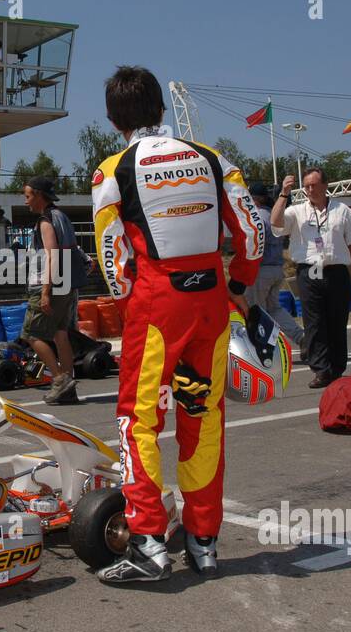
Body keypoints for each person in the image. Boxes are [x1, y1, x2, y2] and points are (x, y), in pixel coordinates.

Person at [92, 65, 263, 582]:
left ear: (112, 119)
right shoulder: (213, 158)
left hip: (155, 305)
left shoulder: (112, 170)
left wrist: (129, 302)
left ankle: (147, 544)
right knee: (203, 414)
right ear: (162, 111)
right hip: (211, 301)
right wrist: (237, 285)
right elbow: (252, 232)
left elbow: (108, 253)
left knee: (138, 420)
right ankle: (204, 542)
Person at [271, 168, 351, 389]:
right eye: (307, 186)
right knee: (314, 323)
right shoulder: (297, 211)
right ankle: (321, 370)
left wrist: (339, 258)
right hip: (309, 271)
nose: (310, 189)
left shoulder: (342, 211)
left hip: (335, 271)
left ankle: (337, 368)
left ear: (325, 186)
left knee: (337, 321)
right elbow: (275, 223)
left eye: (314, 185)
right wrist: (283, 194)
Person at [20, 176, 82, 405]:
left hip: (50, 284)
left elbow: (52, 256)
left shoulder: (45, 220)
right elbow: (72, 249)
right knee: (60, 333)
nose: (26, 201)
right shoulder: (61, 216)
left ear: (37, 195)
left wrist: (45, 291)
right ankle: (68, 386)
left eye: (27, 196)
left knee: (31, 334)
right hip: (67, 283)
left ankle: (59, 380)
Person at [244, 183, 305, 349]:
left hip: (260, 269)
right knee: (274, 309)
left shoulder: (255, 217)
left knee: (257, 312)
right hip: (277, 268)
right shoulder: (273, 214)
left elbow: (253, 245)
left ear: (252, 198)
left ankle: (267, 347)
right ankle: (301, 338)